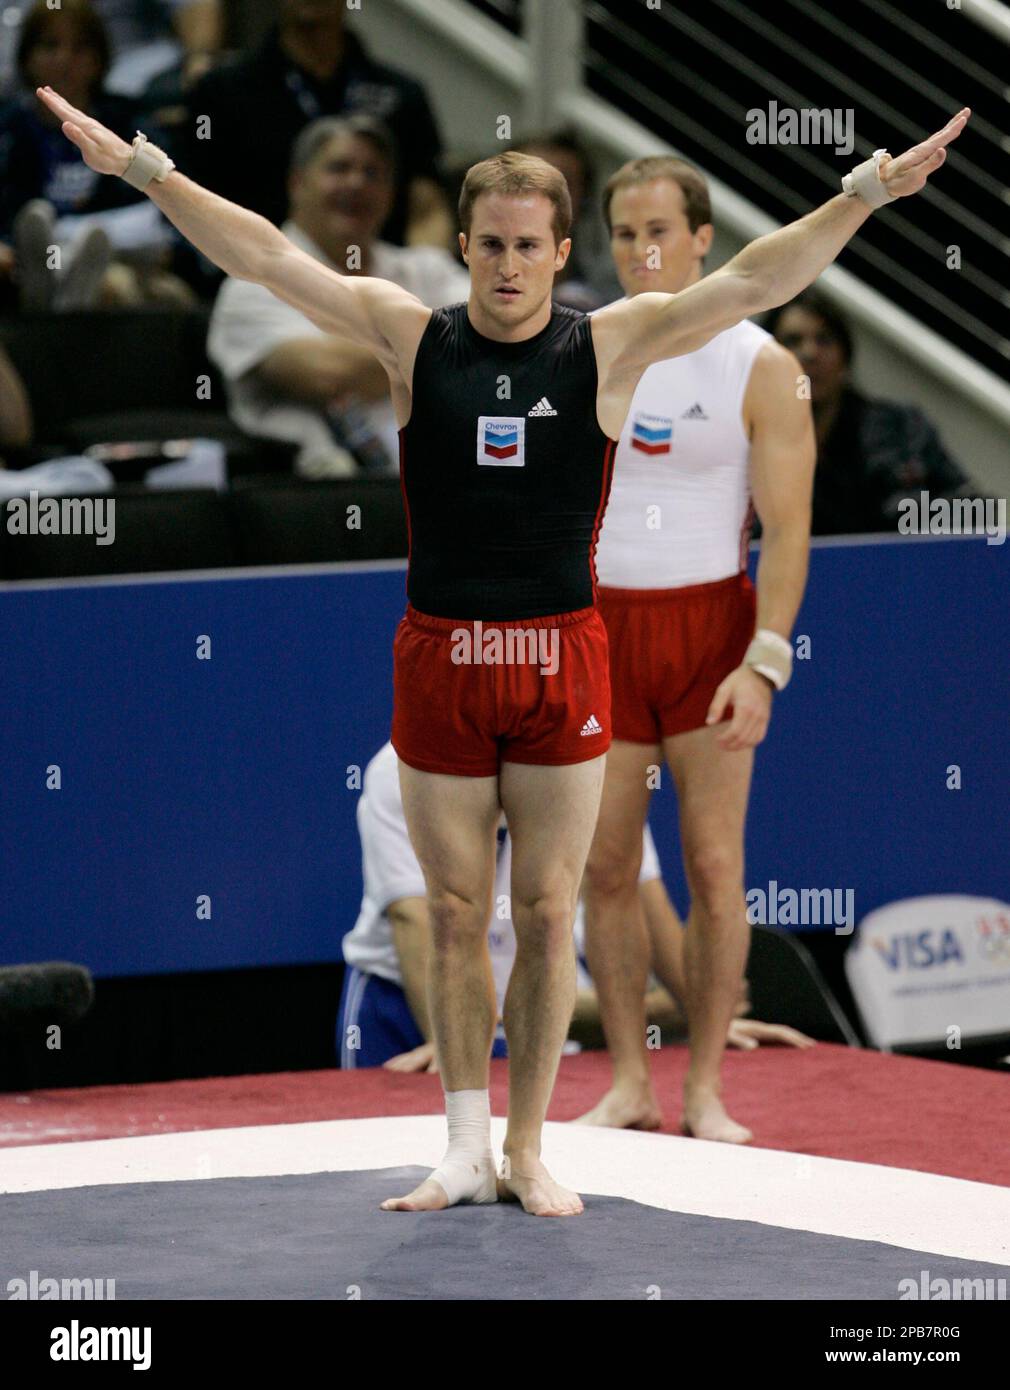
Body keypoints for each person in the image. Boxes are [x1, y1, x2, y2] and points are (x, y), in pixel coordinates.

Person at [37, 79, 967, 1215]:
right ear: (464, 248)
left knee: (544, 913)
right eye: (489, 246)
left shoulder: (610, 345)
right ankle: (462, 1143)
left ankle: (529, 1147)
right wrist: (143, 171)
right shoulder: (409, 334)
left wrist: (864, 191)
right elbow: (269, 260)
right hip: (439, 654)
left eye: (529, 247)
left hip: (563, 655)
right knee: (455, 912)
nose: (508, 266)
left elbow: (754, 276)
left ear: (558, 249)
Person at [576, 155, 815, 1144]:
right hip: (599, 627)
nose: (641, 251)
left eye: (659, 231)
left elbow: (791, 529)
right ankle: (630, 1079)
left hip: (710, 627)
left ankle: (705, 1087)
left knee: (714, 865)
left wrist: (762, 658)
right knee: (604, 868)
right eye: (624, 233)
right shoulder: (582, 348)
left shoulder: (758, 364)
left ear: (704, 238)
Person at [340, 742, 812, 1072]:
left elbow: (640, 892)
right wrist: (448, 1039)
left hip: (532, 999)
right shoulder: (404, 767)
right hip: (406, 1005)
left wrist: (707, 1019)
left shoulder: (585, 772)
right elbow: (416, 917)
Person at [207, 114, 468, 478]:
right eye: (339, 168)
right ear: (297, 183)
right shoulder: (252, 282)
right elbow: (328, 374)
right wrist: (458, 350)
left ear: (391, 196)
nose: (357, 183)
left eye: (373, 173)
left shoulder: (427, 269)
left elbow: (508, 331)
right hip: (327, 501)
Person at [183, 0, 451, 250]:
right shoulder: (220, 93)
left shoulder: (401, 96)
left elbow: (427, 211)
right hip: (255, 278)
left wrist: (424, 279)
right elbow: (195, 204)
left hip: (382, 283)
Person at [0, 0, 193, 310]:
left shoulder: (129, 122)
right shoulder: (8, 129)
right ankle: (52, 276)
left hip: (119, 247)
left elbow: (164, 193)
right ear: (27, 57)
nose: (65, 60)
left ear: (98, 59)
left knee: (118, 280)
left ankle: (57, 281)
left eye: (79, 49)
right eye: (50, 46)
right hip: (23, 255)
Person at [765, 289, 972, 535]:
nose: (810, 354)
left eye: (824, 340)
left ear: (845, 357)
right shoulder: (748, 439)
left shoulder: (902, 429)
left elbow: (970, 507)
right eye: (792, 341)